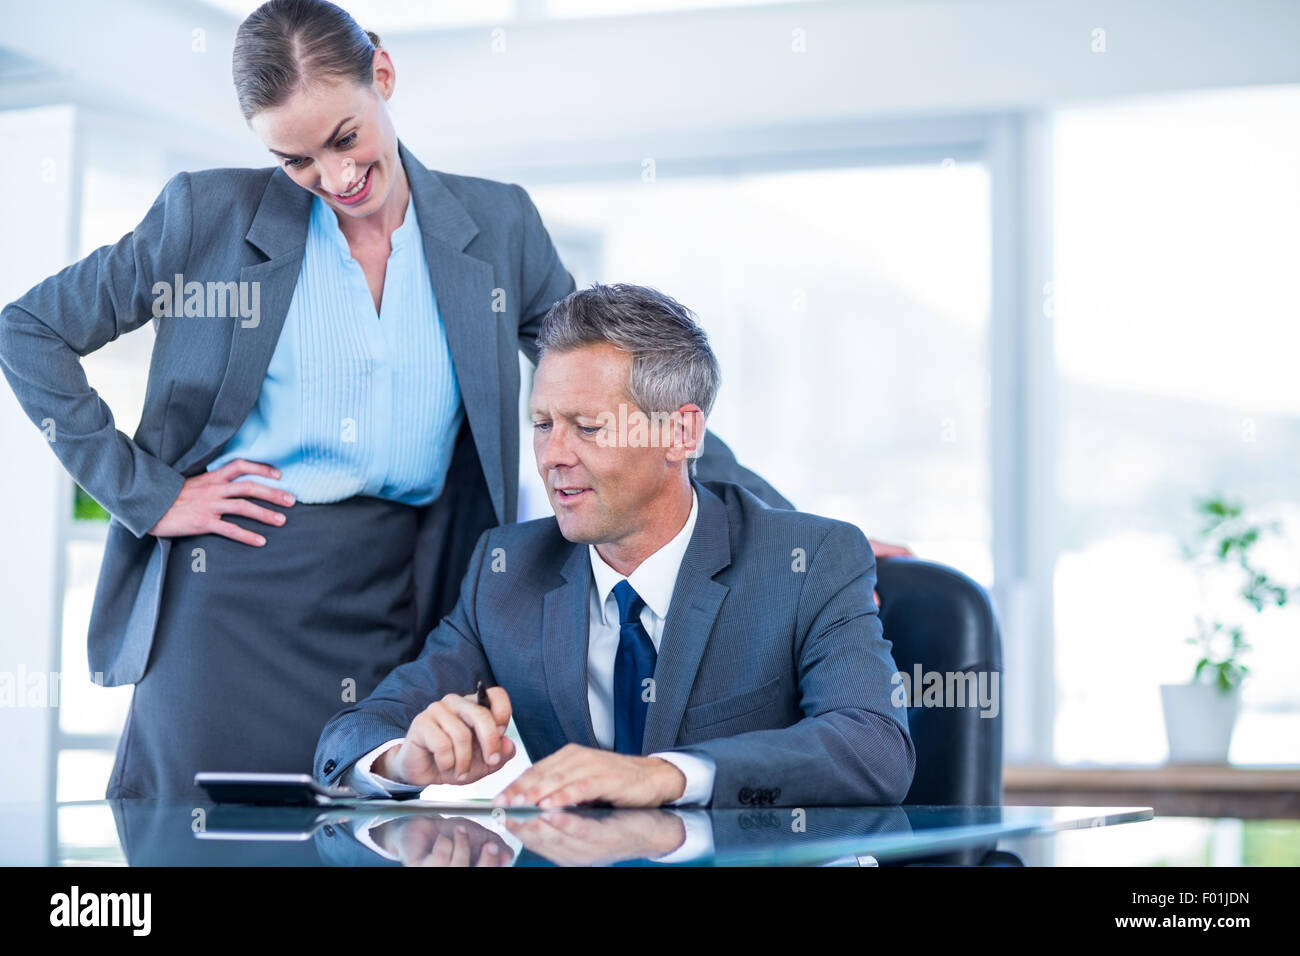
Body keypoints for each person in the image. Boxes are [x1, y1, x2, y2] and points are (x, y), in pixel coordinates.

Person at [0, 0, 810, 800]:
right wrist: (151, 493)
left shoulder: (498, 227)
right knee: (212, 845)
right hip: (224, 611)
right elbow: (27, 330)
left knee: (367, 831)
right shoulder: (206, 216)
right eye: (297, 161)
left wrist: (776, 524)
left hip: (397, 601)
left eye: (345, 137)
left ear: (382, 76)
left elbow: (630, 385)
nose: (335, 177)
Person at [315, 284, 915, 813]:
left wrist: (663, 776)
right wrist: (401, 761)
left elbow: (873, 744)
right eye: (543, 424)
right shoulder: (507, 571)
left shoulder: (812, 560)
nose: (553, 456)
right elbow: (352, 735)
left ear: (680, 433)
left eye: (589, 427)